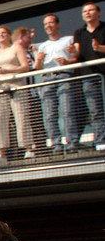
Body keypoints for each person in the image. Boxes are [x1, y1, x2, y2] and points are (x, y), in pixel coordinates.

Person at [0, 26, 37, 162]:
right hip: (0, 88)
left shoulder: (16, 48)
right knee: (0, 120)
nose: (1, 35)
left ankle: (28, 149)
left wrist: (9, 70)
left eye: (4, 33)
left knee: (21, 116)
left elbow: (25, 66)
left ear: (9, 35)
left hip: (16, 85)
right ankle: (2, 153)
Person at [35, 12, 78, 154]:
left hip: (64, 76)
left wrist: (66, 61)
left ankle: (72, 143)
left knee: (67, 111)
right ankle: (57, 146)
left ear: (58, 24)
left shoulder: (68, 40)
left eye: (51, 22)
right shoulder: (43, 46)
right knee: (50, 115)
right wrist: (39, 60)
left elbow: (76, 59)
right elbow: (38, 68)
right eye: (46, 24)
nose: (48, 26)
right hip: (47, 79)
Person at [71, 1, 105, 147]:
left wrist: (99, 48)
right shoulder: (79, 33)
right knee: (95, 111)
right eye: (85, 11)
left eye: (91, 10)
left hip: (104, 73)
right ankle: (101, 142)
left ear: (99, 13)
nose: (88, 13)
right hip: (89, 76)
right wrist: (73, 52)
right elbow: (77, 52)